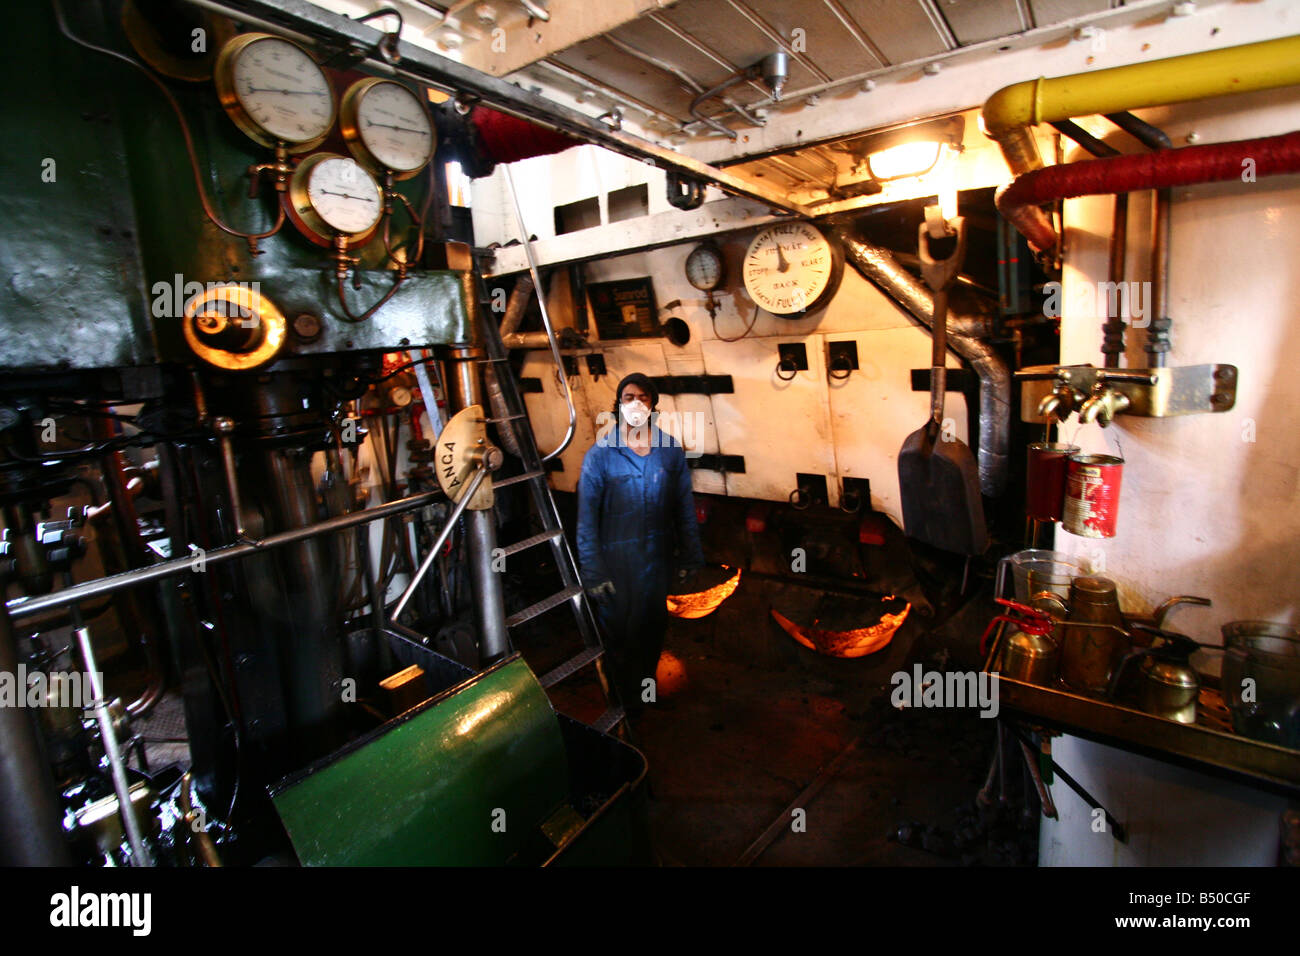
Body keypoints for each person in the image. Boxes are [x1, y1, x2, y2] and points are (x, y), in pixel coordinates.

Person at [576, 372, 705, 714]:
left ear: (653, 405)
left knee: (651, 634)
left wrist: (691, 556)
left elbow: (683, 507)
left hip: (655, 563)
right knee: (619, 639)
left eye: (643, 397)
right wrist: (593, 573)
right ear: (618, 405)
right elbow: (586, 521)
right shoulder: (600, 456)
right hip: (616, 566)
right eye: (628, 397)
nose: (635, 404)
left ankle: (644, 699)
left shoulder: (669, 452)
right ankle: (622, 708)